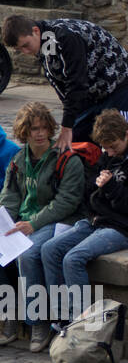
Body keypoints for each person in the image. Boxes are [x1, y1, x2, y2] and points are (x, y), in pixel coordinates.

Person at [37, 111, 128, 325]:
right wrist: (95, 185)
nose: (109, 152)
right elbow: (91, 193)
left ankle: (82, 325)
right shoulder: (107, 156)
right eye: (105, 148)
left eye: (114, 147)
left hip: (126, 229)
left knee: (73, 259)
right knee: (49, 249)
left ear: (127, 135)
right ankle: (62, 318)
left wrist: (112, 188)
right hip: (99, 220)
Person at [1, 103, 88, 350]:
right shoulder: (19, 159)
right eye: (33, 129)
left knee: (28, 255)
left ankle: (37, 321)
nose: (39, 134)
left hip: (55, 221)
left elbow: (66, 202)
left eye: (43, 128)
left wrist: (33, 223)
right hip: (25, 221)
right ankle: (8, 313)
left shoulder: (65, 159)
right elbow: (10, 196)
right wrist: (3, 222)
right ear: (24, 133)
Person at [2, 15, 128, 152]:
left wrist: (67, 127)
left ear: (36, 31)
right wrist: (71, 120)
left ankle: (122, 169)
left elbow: (76, 83)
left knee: (117, 137)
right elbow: (60, 84)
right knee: (77, 139)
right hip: (90, 90)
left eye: (26, 45)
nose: (25, 52)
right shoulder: (41, 43)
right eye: (20, 49)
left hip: (118, 82)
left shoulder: (65, 37)